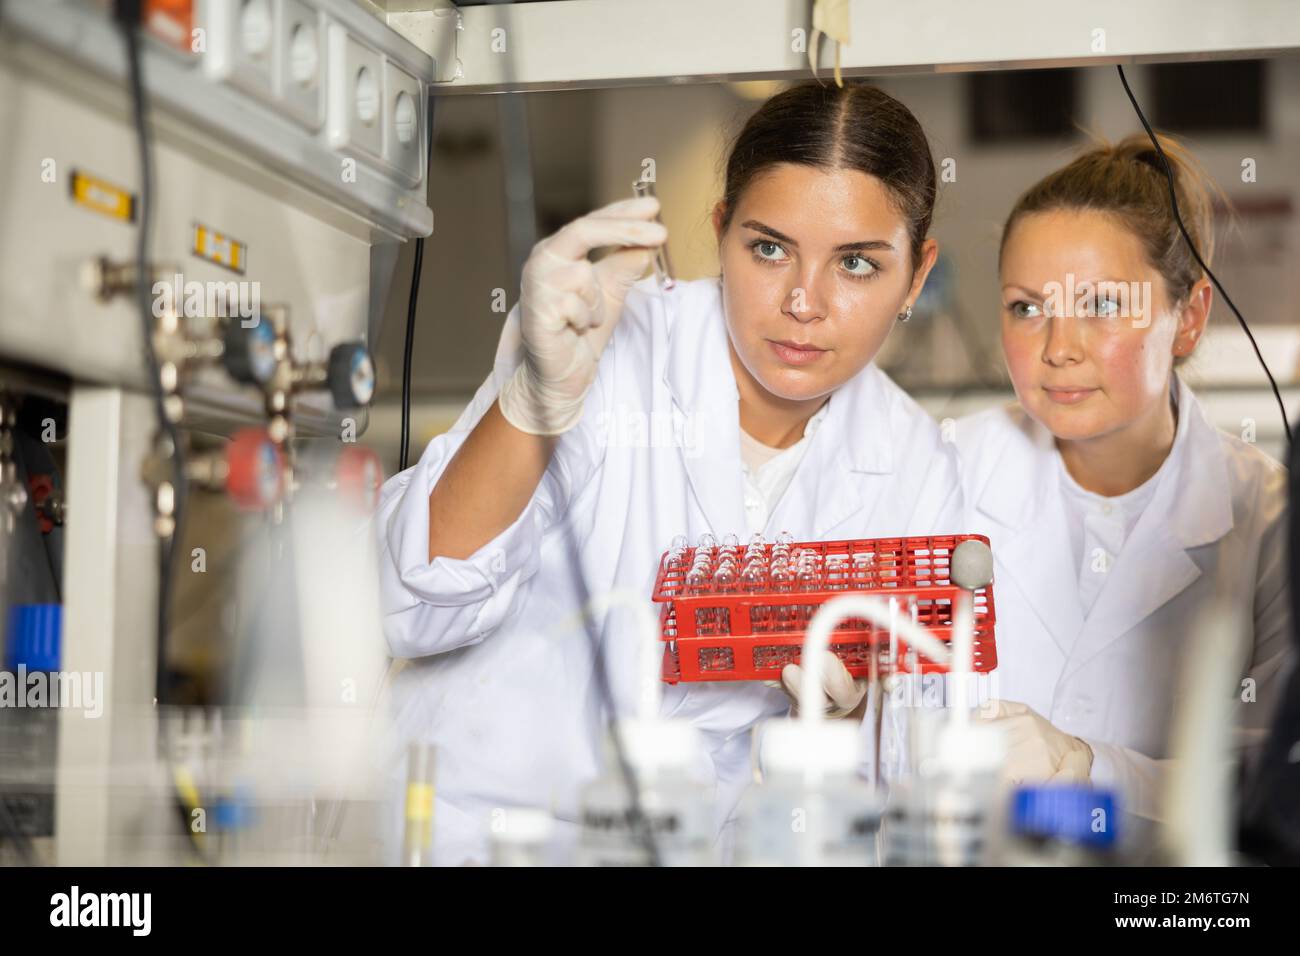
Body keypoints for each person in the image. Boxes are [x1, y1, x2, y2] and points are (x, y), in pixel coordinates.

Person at [375, 81, 962, 864]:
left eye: (856, 263)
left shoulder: (916, 467)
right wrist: (533, 406)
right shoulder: (612, 341)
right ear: (721, 232)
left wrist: (841, 732)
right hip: (467, 837)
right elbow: (413, 605)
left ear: (917, 276)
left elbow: (877, 794)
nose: (803, 302)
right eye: (769, 247)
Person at [955, 133, 1292, 846]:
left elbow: (1265, 785)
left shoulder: (1266, 517)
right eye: (1025, 307)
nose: (1058, 346)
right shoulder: (954, 466)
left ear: (1189, 317)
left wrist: (1085, 770)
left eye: (1102, 304)